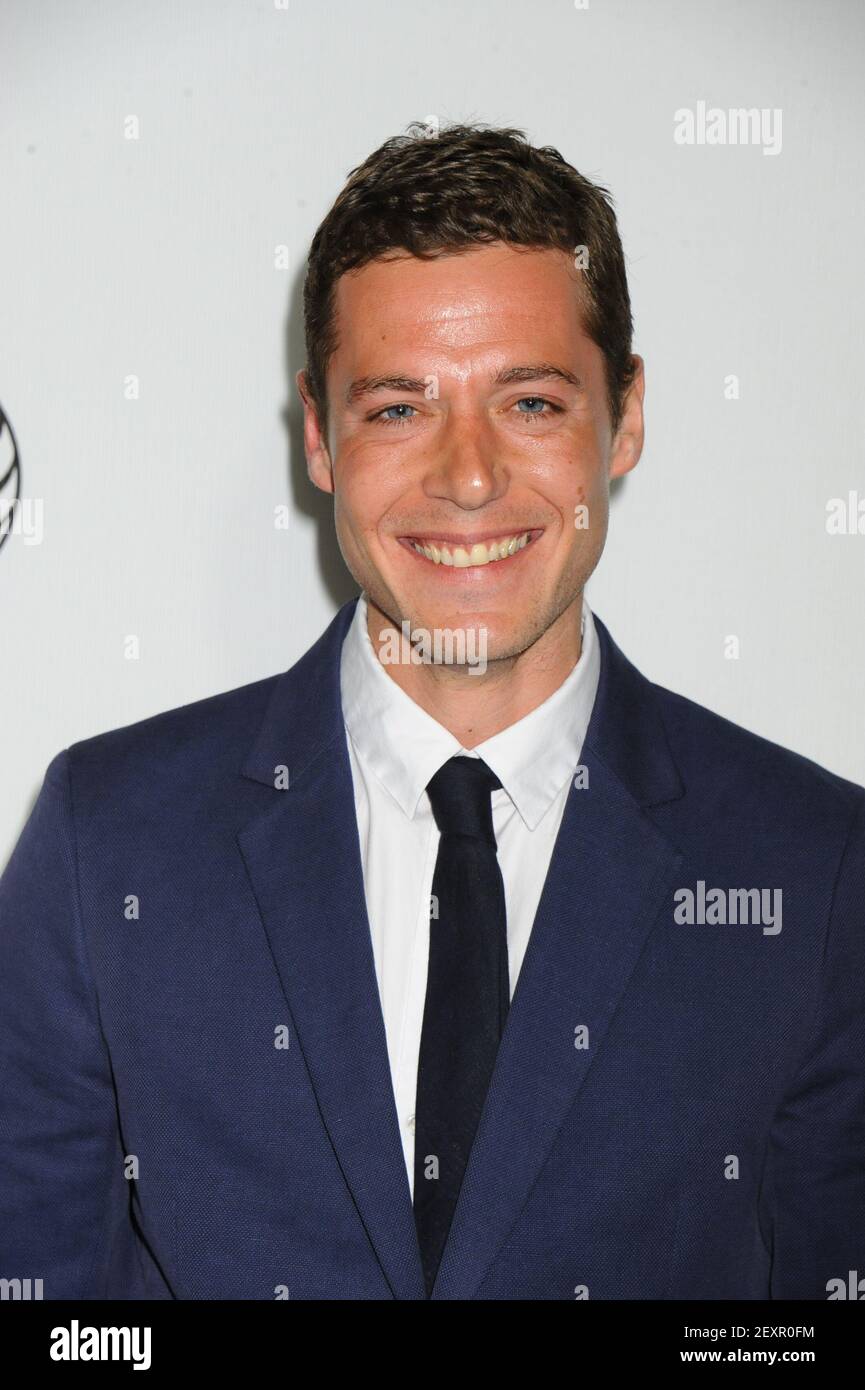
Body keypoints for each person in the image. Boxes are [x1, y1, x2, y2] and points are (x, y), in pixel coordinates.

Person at [1, 122, 863, 1301]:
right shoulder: (108, 840)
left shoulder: (814, 870)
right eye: (399, 408)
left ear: (628, 416)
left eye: (531, 402)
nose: (467, 477)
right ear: (318, 434)